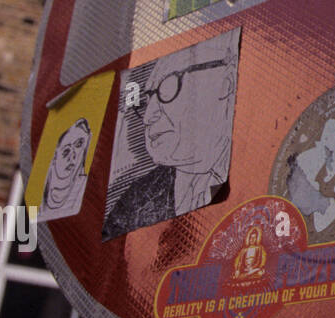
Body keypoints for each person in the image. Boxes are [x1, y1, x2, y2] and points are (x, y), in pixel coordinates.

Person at [103, 40, 236, 239]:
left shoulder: (258, 164)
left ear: (226, 83)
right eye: (147, 100)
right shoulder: (134, 203)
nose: (148, 117)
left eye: (167, 87)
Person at [40, 118, 92, 221]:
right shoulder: (41, 188)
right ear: (55, 155)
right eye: (66, 151)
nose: (72, 156)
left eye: (79, 145)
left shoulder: (86, 189)